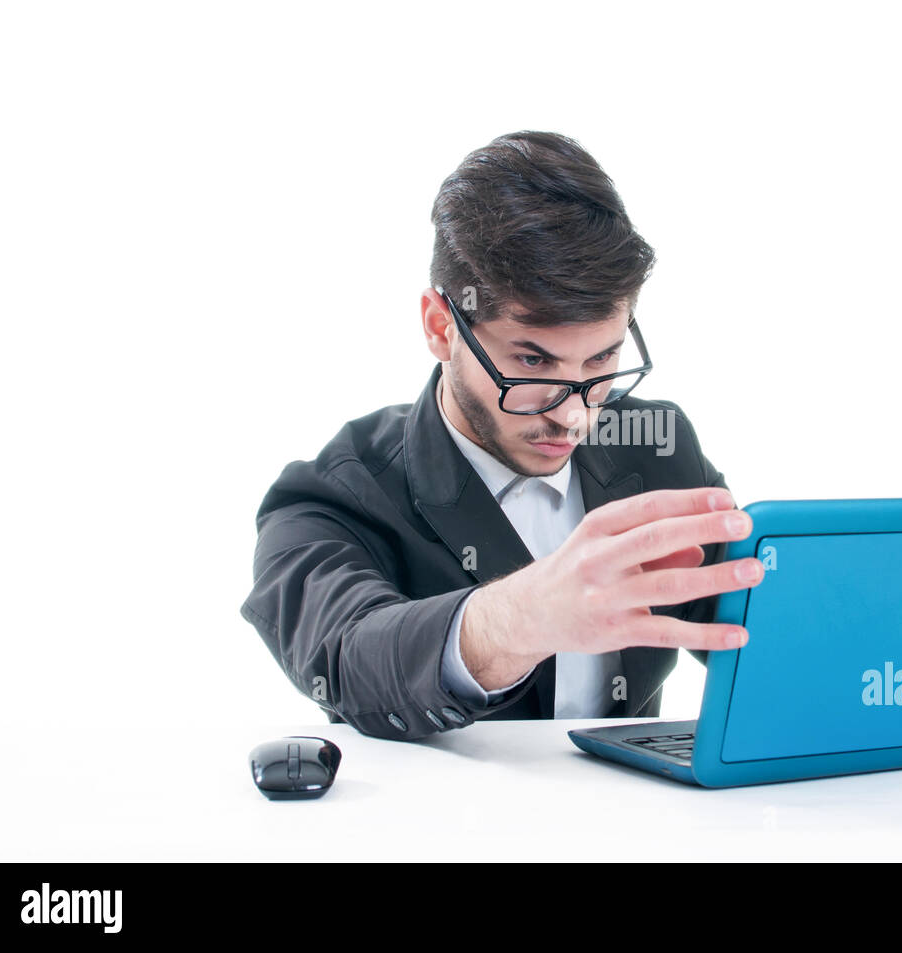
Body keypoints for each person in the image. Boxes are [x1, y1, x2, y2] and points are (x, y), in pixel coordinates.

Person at [239, 131, 764, 741]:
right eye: (533, 364)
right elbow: (348, 658)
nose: (574, 416)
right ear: (441, 326)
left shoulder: (658, 445)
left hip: (642, 829)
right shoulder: (336, 493)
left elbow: (762, 629)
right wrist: (520, 619)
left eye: (600, 363)